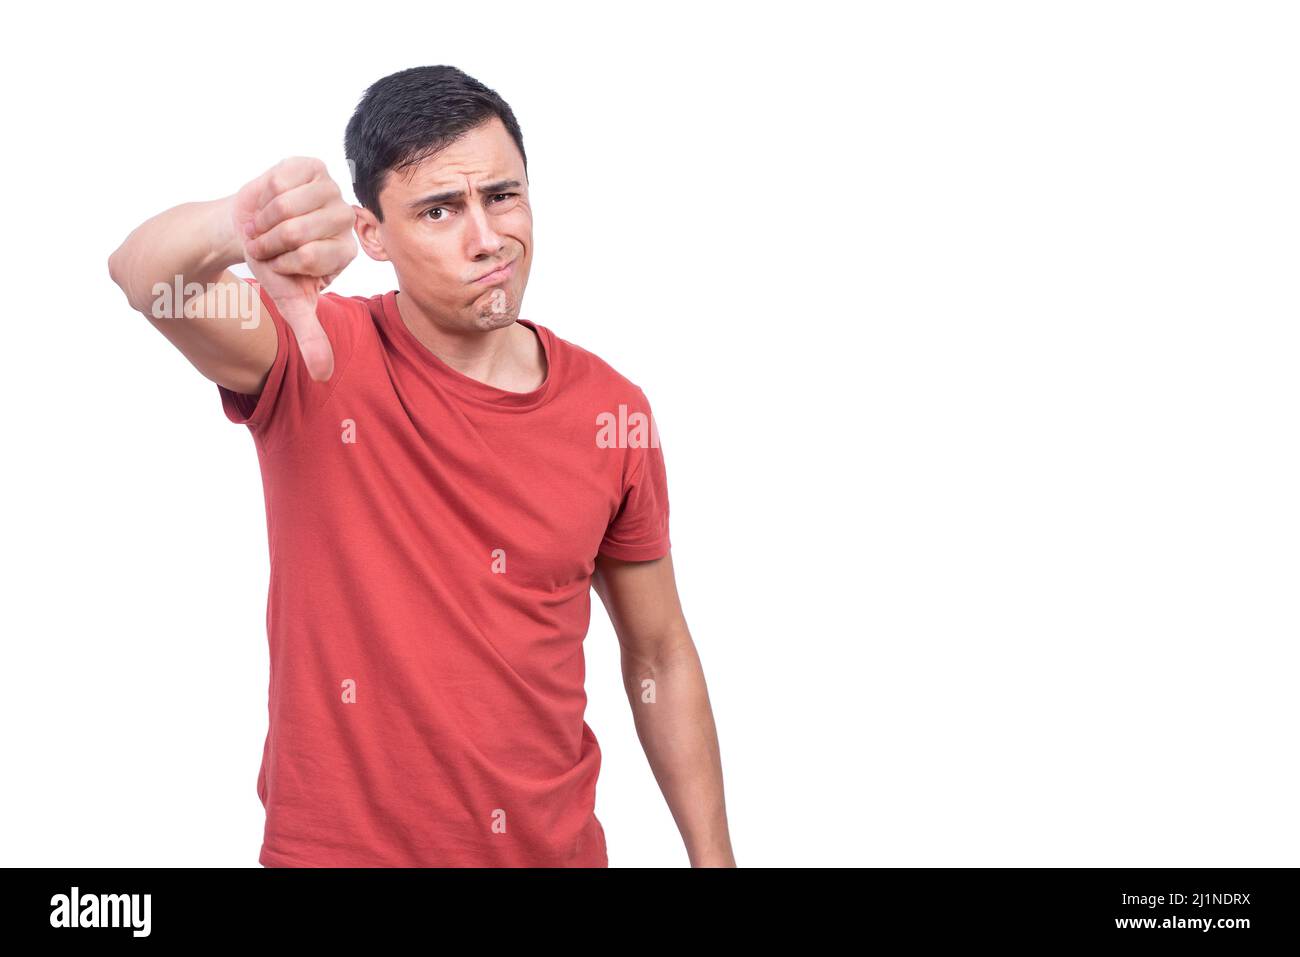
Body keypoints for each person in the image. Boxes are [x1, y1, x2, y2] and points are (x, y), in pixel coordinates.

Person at [107, 65, 734, 867]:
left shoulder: (614, 413)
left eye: (501, 196)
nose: (487, 238)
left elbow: (659, 652)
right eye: (439, 210)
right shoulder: (311, 351)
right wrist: (242, 224)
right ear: (372, 235)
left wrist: (715, 861)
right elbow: (142, 275)